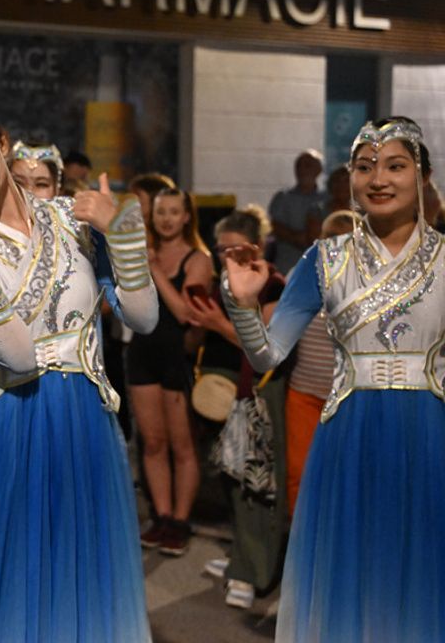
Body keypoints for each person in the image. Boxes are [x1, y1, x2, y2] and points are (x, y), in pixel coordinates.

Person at [0, 94, 156, 642]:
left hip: (84, 421)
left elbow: (141, 318)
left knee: (81, 578)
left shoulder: (78, 220)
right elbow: (19, 356)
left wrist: (121, 231)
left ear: (1, 144)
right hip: (7, 424)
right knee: (13, 585)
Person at [223, 117, 444, 643]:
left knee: (422, 573)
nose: (379, 179)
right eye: (365, 167)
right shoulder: (325, 258)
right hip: (350, 436)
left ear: (423, 175)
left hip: (430, 434)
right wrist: (243, 303)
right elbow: (268, 353)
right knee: (353, 573)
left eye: (396, 165)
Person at [187, 206, 287, 610]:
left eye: (234, 249)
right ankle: (240, 560)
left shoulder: (275, 285)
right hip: (223, 390)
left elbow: (266, 345)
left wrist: (216, 324)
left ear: (257, 247)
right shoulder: (220, 282)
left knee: (256, 486)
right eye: (220, 250)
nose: (226, 258)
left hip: (259, 393)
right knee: (232, 480)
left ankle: (252, 572)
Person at [129, 187, 212, 556]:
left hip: (175, 356)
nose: (165, 219)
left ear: (186, 217)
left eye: (173, 212)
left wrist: (155, 270)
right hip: (142, 352)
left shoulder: (198, 259)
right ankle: (161, 516)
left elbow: (186, 313)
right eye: (160, 212)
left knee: (182, 445)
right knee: (153, 442)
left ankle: (180, 520)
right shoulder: (143, 253)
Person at [282, 209, 352, 519]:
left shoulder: (374, 287)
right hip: (304, 394)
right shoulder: (303, 278)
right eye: (330, 239)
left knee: (346, 477)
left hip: (350, 400)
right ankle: (302, 544)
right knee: (300, 474)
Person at [269, 150, 326, 274]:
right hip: (287, 264)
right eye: (299, 166)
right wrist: (299, 238)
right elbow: (275, 226)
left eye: (308, 165)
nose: (302, 170)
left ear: (319, 170)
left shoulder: (326, 199)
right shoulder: (283, 197)